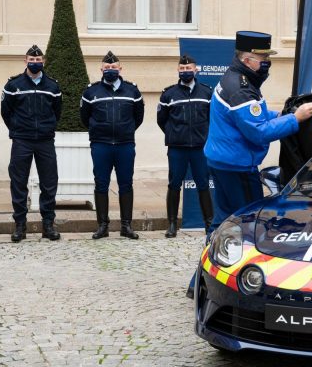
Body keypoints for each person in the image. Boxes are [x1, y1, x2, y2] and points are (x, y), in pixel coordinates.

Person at [204, 31, 312, 232]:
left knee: (223, 218)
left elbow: (254, 116)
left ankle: (211, 256)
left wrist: (280, 115)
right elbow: (258, 132)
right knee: (250, 221)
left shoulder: (237, 78)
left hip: (223, 160)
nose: (267, 62)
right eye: (263, 58)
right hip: (237, 166)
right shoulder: (241, 88)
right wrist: (295, 118)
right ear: (248, 60)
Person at [80, 51, 145, 240]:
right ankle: (102, 226)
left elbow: (138, 117)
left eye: (114, 67)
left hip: (125, 145)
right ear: (101, 69)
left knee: (126, 184)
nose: (110, 70)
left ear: (120, 69)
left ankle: (126, 226)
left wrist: (127, 130)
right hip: (101, 145)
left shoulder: (132, 91)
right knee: (101, 184)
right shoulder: (91, 91)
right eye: (107, 67)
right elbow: (85, 118)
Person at [1, 45, 62, 242]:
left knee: (49, 183)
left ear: (43, 61)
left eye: (38, 60)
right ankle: (20, 225)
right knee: (18, 183)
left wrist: (47, 127)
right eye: (31, 60)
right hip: (22, 141)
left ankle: (48, 225)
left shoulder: (52, 86)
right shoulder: (13, 85)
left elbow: (57, 112)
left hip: (45, 141)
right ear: (25, 60)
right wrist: (18, 129)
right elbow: (6, 112)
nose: (35, 63)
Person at [157, 54, 214, 238]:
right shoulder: (169, 94)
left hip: (200, 148)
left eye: (189, 69)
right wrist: (175, 135)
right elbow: (162, 120)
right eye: (182, 69)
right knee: (174, 184)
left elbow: (213, 119)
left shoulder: (207, 92)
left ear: (196, 70)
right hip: (177, 148)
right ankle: (172, 224)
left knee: (203, 184)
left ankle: (209, 224)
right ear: (178, 70)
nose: (185, 72)